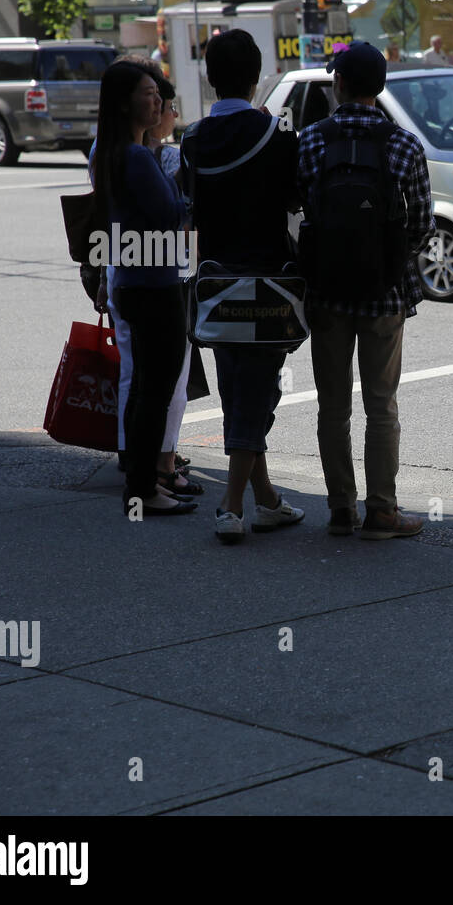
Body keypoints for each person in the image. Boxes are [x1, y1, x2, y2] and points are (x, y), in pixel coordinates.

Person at [296, 42, 436, 539]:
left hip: (327, 295)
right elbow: (422, 223)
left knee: (332, 407)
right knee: (382, 405)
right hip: (385, 295)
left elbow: (296, 216)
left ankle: (339, 509)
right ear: (379, 88)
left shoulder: (310, 140)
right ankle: (382, 511)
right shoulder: (404, 145)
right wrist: (389, 260)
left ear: (338, 85)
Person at [180, 28, 304, 544]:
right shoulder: (277, 135)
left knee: (239, 391)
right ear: (256, 77)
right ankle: (231, 507)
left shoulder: (190, 141)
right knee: (259, 392)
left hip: (215, 286)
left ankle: (268, 501)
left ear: (210, 79)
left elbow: (189, 211)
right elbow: (297, 205)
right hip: (270, 286)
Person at [90, 60, 194, 517]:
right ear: (123, 102)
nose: (158, 102)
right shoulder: (135, 156)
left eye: (159, 95)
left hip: (129, 280)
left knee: (141, 389)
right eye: (149, 93)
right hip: (155, 284)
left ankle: (140, 483)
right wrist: (188, 194)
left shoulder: (105, 151)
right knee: (156, 388)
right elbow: (170, 215)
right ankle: (146, 487)